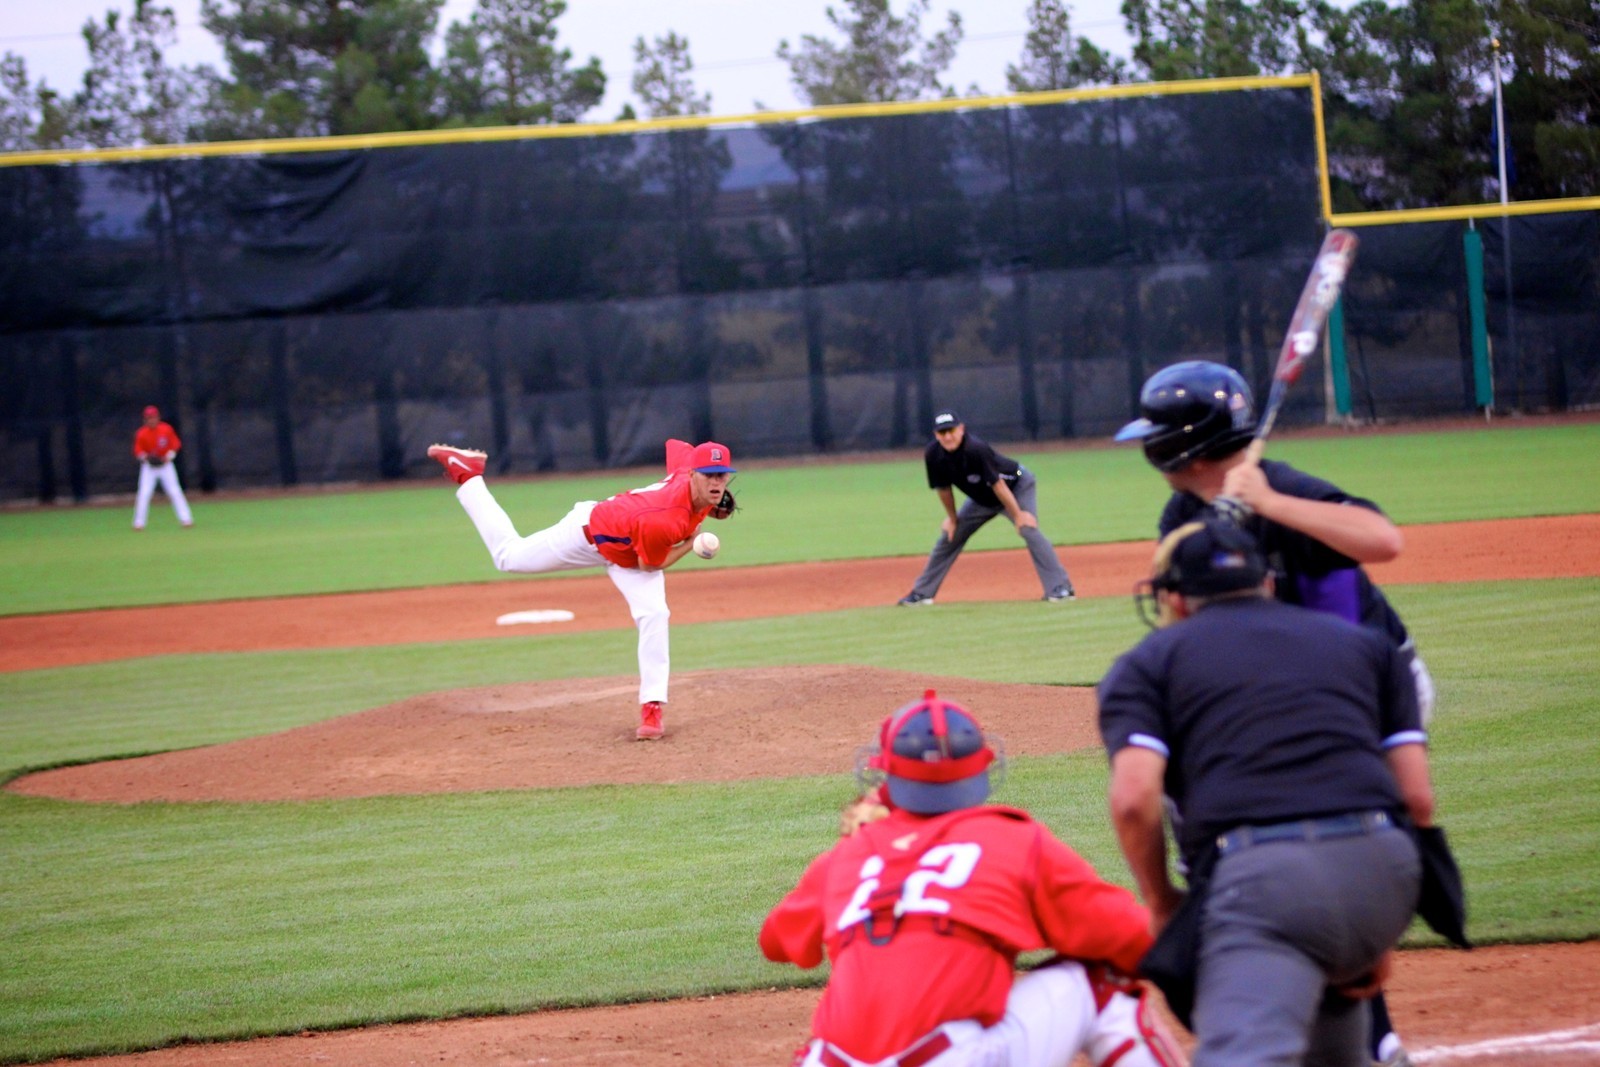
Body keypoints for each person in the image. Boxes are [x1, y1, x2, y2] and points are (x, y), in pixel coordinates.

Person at [1114, 359, 1432, 1066]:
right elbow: (1184, 617)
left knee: (1335, 826)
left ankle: (1367, 1028)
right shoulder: (1183, 513)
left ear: (1183, 444)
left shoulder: (1280, 484)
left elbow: (1385, 541)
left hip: (1369, 684)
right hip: (1281, 689)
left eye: (1157, 436)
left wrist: (1271, 503)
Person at [760, 690, 1187, 1067]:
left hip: (832, 1061)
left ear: (885, 773)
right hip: (949, 1058)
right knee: (1101, 982)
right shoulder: (1010, 839)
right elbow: (1127, 938)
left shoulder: (846, 856)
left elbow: (777, 942)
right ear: (983, 768)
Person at [427, 438, 737, 741]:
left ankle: (651, 708)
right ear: (693, 474)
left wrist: (707, 508)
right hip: (588, 537)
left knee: (655, 613)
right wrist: (688, 543)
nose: (716, 482)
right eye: (708, 475)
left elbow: (675, 445)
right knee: (508, 557)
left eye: (721, 475)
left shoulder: (688, 470)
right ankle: (467, 475)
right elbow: (649, 566)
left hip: (629, 547)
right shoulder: (663, 520)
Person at [896, 409, 1076, 606]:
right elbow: (943, 488)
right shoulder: (933, 454)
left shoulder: (975, 449)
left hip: (1016, 486)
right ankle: (922, 593)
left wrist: (1018, 515)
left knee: (1028, 529)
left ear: (961, 429)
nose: (947, 436)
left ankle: (1060, 588)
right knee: (950, 536)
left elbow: (998, 485)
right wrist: (953, 519)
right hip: (982, 498)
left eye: (951, 430)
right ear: (935, 435)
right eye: (942, 433)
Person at [131, 404, 194, 530]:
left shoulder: (166, 429)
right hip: (149, 467)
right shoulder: (141, 433)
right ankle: (139, 523)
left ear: (158, 417)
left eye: (153, 417)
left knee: (175, 491)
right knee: (144, 494)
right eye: (149, 418)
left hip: (165, 466)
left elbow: (175, 445)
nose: (151, 420)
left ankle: (186, 519)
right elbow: (138, 451)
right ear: (145, 420)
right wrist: (146, 458)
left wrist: (169, 456)